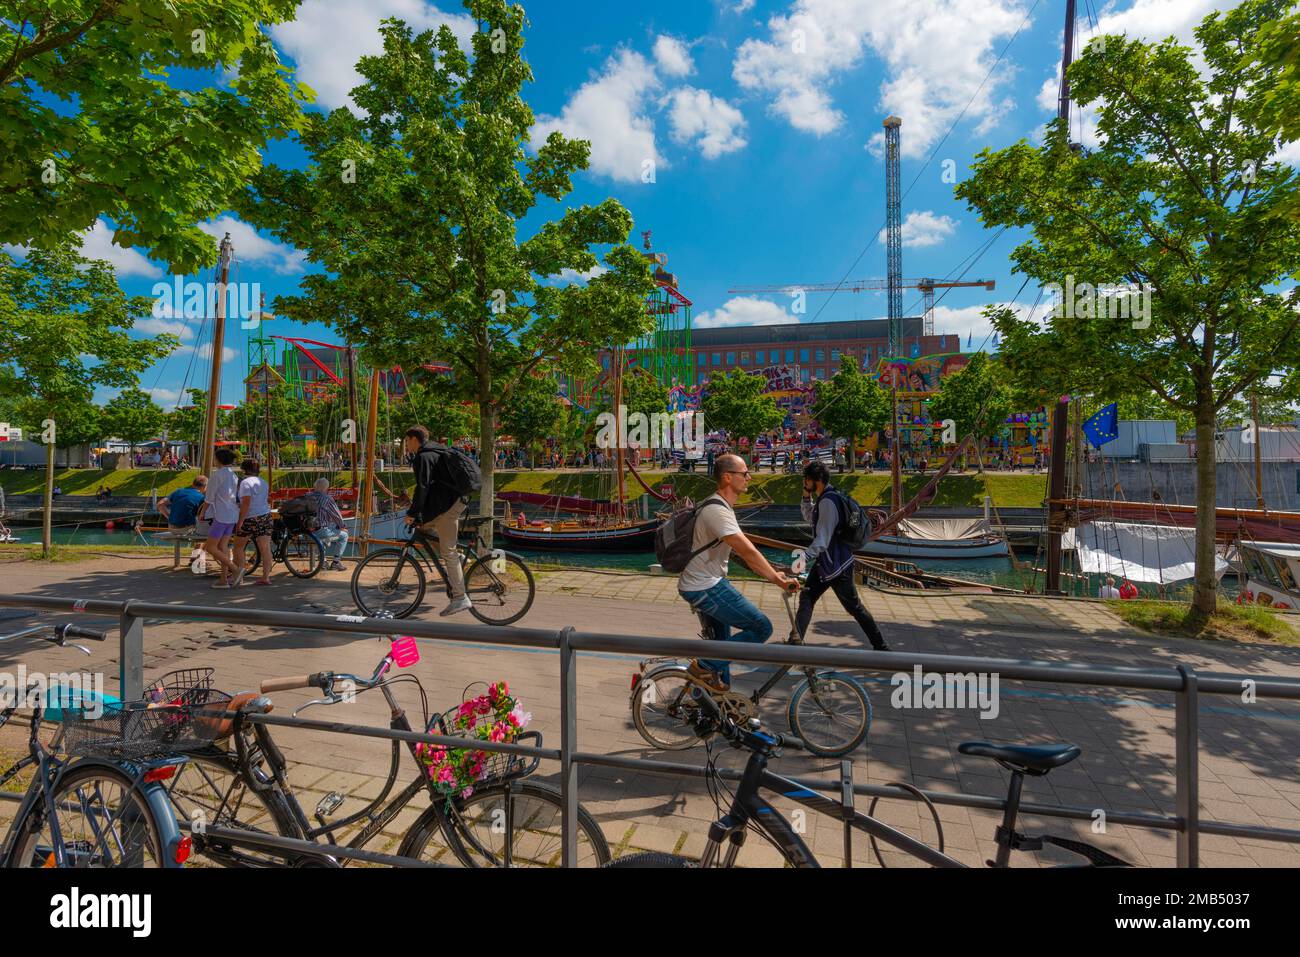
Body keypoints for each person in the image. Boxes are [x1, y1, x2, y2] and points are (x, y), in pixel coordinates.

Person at [677, 453, 798, 693]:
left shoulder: (719, 505)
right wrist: (776, 579)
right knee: (761, 627)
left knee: (722, 647)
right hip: (705, 586)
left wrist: (774, 571)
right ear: (727, 477)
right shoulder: (718, 511)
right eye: (744, 473)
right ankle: (703, 666)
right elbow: (748, 551)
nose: (749, 477)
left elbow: (739, 553)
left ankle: (718, 706)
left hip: (703, 582)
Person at [796, 462, 891, 652]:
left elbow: (822, 538)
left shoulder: (828, 502)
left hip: (837, 565)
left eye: (807, 480)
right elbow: (811, 518)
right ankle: (795, 640)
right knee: (807, 597)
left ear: (817, 480)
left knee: (854, 606)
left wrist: (803, 558)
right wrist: (806, 497)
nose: (805, 483)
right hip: (828, 563)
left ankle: (881, 645)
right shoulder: (828, 497)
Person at [404, 425, 471, 616]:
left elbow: (422, 487)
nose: (406, 445)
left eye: (406, 441)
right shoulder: (435, 450)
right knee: (423, 529)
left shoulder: (423, 457)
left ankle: (460, 598)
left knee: (447, 551)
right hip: (452, 501)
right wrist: (419, 516)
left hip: (450, 505)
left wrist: (413, 512)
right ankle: (456, 560)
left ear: (414, 439)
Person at [198, 448, 241, 588]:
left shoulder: (217, 475)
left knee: (210, 547)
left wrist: (202, 512)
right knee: (223, 547)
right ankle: (223, 579)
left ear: (218, 460)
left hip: (221, 515)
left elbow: (209, 498)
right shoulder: (233, 475)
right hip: (232, 514)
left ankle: (234, 569)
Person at [232, 459, 273, 586]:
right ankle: (265, 577)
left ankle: (240, 575)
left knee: (238, 547)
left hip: (250, 517)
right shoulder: (264, 482)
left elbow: (246, 503)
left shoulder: (245, 483)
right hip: (265, 516)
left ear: (244, 470)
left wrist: (240, 521)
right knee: (265, 548)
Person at [309, 477, 349, 571]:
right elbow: (336, 515)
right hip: (319, 531)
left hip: (306, 531)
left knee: (323, 533)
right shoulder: (327, 498)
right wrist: (342, 526)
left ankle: (323, 562)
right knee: (344, 535)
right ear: (325, 488)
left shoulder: (307, 496)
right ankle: (336, 562)